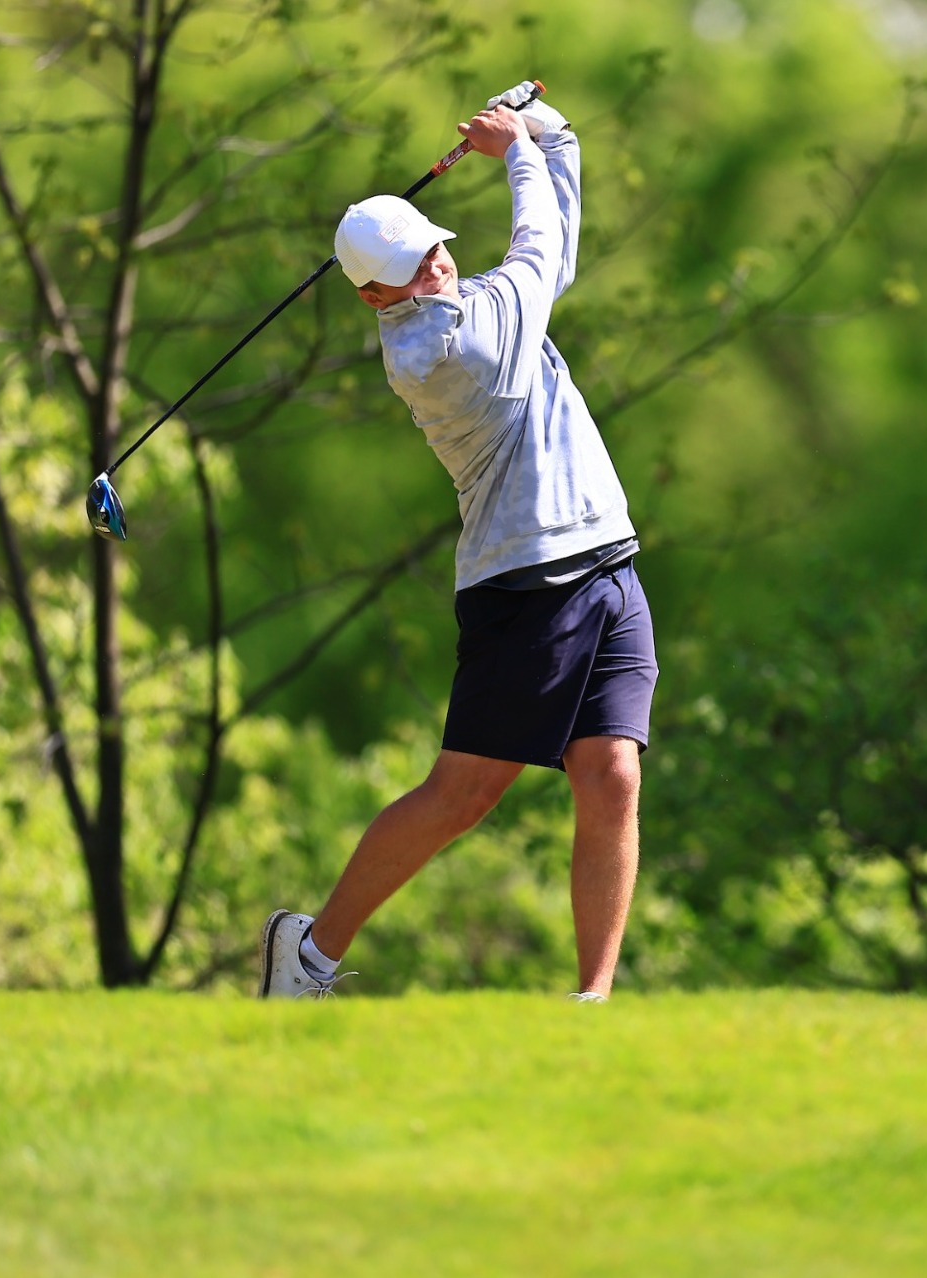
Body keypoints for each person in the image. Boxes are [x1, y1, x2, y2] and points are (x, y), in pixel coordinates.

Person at [258, 94, 654, 1002]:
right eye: (412, 268)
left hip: (604, 558)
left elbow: (554, 244)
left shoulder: (478, 302)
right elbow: (540, 251)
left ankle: (593, 1003)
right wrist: (518, 152)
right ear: (373, 297)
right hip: (525, 585)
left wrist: (550, 134)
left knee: (612, 774)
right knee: (464, 794)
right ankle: (308, 952)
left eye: (435, 248)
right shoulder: (448, 347)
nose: (436, 267)